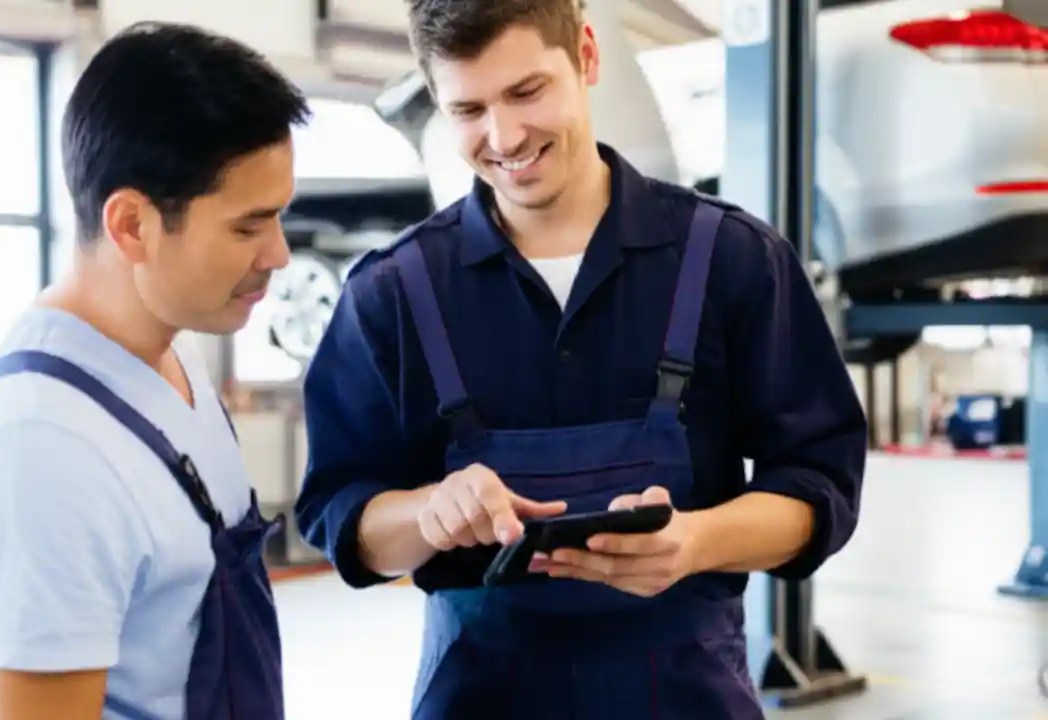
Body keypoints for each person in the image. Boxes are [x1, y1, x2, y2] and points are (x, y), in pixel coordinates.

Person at [294, 1, 866, 717]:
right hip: (481, 698)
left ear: (587, 57)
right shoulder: (393, 294)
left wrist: (697, 541)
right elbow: (342, 516)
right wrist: (430, 513)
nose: (503, 137)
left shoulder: (730, 259)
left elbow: (821, 486)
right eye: (467, 109)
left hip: (685, 696)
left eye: (527, 92)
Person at [0, 22, 309, 720]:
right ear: (132, 226)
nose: (279, 254)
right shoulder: (39, 446)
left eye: (279, 217)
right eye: (247, 226)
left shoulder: (173, 353)